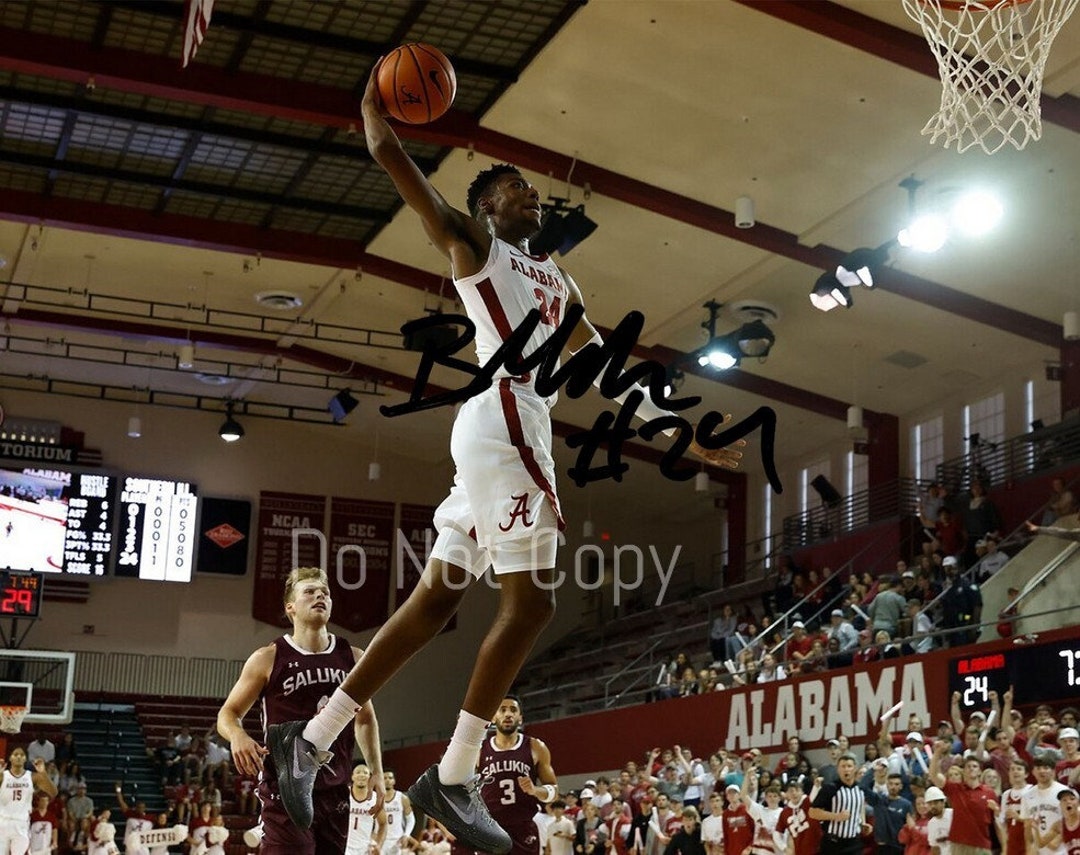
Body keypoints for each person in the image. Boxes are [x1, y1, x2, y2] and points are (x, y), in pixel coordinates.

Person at [266, 58, 743, 855]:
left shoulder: (564, 286)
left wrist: (680, 431)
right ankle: (453, 773)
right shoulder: (478, 245)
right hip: (506, 422)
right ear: (490, 206)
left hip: (507, 427)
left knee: (434, 604)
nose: (531, 195)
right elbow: (402, 172)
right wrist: (376, 117)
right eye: (515, 187)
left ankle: (312, 736)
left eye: (529, 189)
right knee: (532, 606)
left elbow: (611, 373)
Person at [217, 565, 383, 855]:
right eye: (310, 592)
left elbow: (365, 720)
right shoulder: (268, 658)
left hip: (335, 790)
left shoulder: (353, 657)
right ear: (290, 606)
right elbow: (228, 713)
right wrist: (238, 736)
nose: (320, 596)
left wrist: (376, 771)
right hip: (284, 790)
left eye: (325, 593)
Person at [481, 695, 559, 855]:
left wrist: (536, 790)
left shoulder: (536, 747)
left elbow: (555, 792)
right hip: (490, 829)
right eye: (502, 710)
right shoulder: (479, 750)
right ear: (494, 718)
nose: (508, 714)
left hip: (523, 828)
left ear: (520, 718)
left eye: (513, 710)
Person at [0, 746, 57, 855]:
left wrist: (43, 773)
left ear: (25, 759)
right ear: (10, 758)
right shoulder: (3, 776)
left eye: (21, 755)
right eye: (15, 754)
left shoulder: (33, 777)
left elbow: (53, 792)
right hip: (2, 822)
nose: (18, 757)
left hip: (21, 823)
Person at [810, 754, 868, 855]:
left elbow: (860, 806)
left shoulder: (861, 789)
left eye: (849, 766)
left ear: (855, 769)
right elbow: (812, 812)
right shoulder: (830, 788)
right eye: (843, 766)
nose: (846, 769)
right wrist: (836, 816)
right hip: (833, 843)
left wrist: (863, 822)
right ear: (838, 769)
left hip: (854, 843)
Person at [347, 763, 387, 855]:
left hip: (365, 849)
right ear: (352, 777)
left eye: (365, 772)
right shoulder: (343, 794)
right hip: (344, 846)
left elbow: (383, 823)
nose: (361, 775)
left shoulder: (376, 799)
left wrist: (379, 845)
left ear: (370, 777)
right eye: (358, 772)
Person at [381, 771, 414, 855]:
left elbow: (411, 819)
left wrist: (406, 835)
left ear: (394, 781)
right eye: (385, 778)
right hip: (380, 839)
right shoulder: (375, 798)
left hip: (397, 840)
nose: (388, 780)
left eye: (390, 778)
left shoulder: (402, 798)